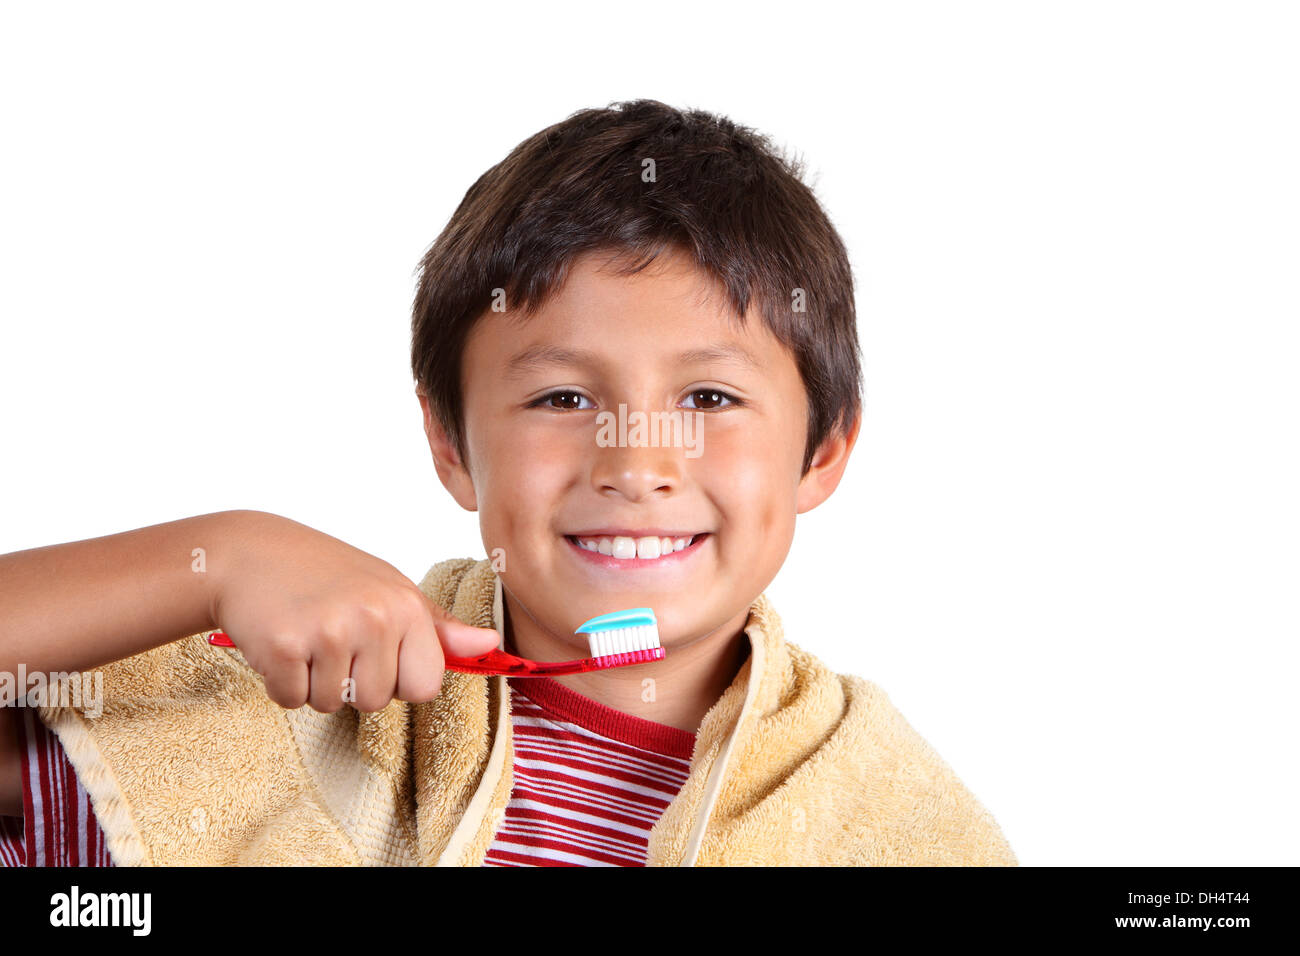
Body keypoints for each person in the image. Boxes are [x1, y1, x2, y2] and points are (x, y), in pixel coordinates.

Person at [0, 99, 1017, 866]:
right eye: (562, 399)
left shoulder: (890, 818)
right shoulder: (286, 720)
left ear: (823, 449)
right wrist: (217, 558)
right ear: (449, 443)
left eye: (708, 397)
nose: (634, 463)